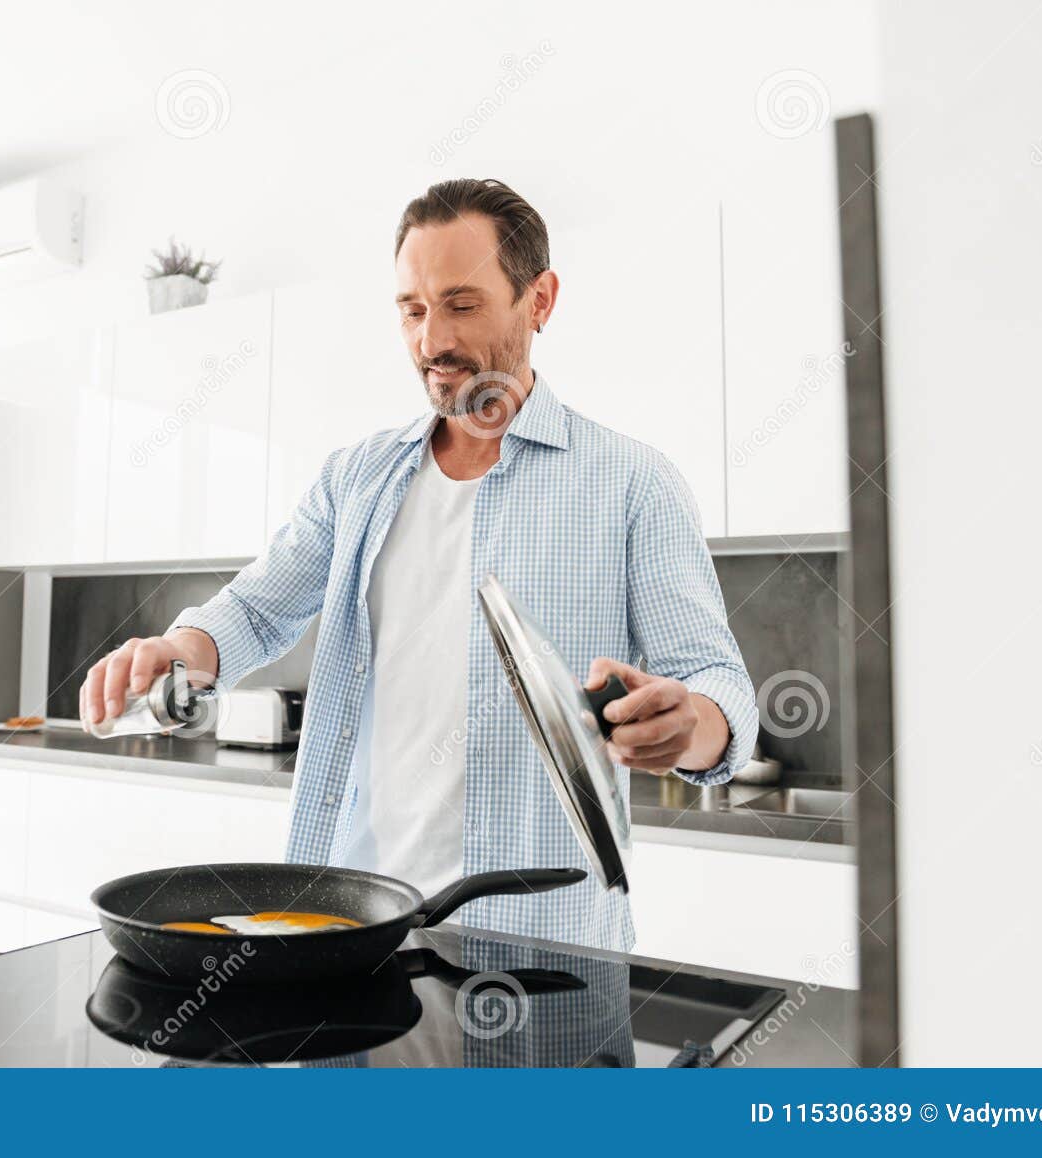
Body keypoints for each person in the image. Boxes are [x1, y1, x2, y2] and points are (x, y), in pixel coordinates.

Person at [82, 178, 757, 950]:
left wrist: (690, 726)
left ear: (539, 300)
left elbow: (718, 684)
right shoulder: (357, 477)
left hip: (540, 943)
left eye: (462, 305)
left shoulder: (633, 482)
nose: (431, 340)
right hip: (346, 926)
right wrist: (180, 650)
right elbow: (259, 610)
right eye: (412, 309)